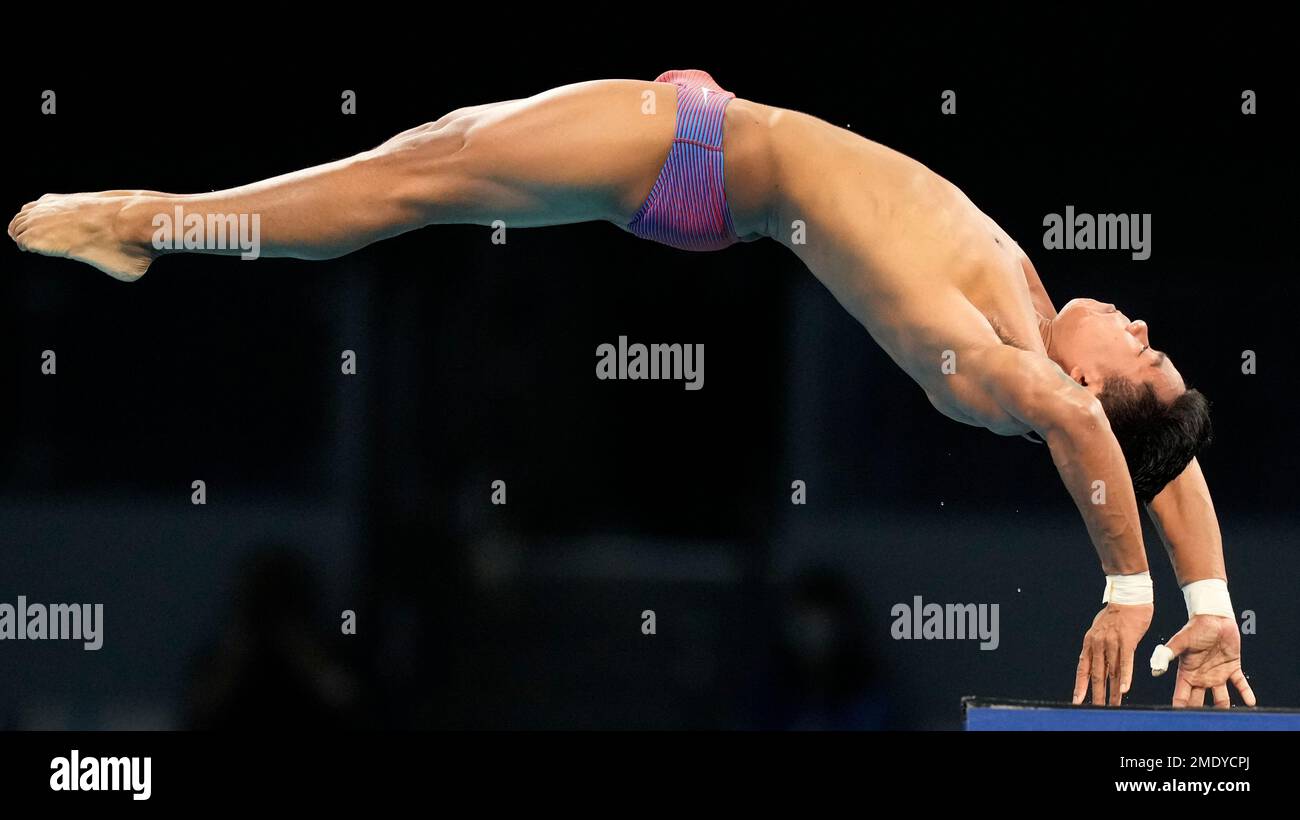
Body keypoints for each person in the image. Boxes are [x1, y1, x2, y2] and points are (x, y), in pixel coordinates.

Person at [7, 69, 1253, 708]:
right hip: (704, 133)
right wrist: (1208, 601)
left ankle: (143, 223)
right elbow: (1166, 454)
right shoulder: (1037, 319)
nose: (1140, 321)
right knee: (417, 156)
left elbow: (1091, 426)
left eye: (1145, 348)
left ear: (1095, 381)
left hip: (694, 160)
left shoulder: (997, 365)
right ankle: (153, 222)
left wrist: (1123, 587)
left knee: (398, 189)